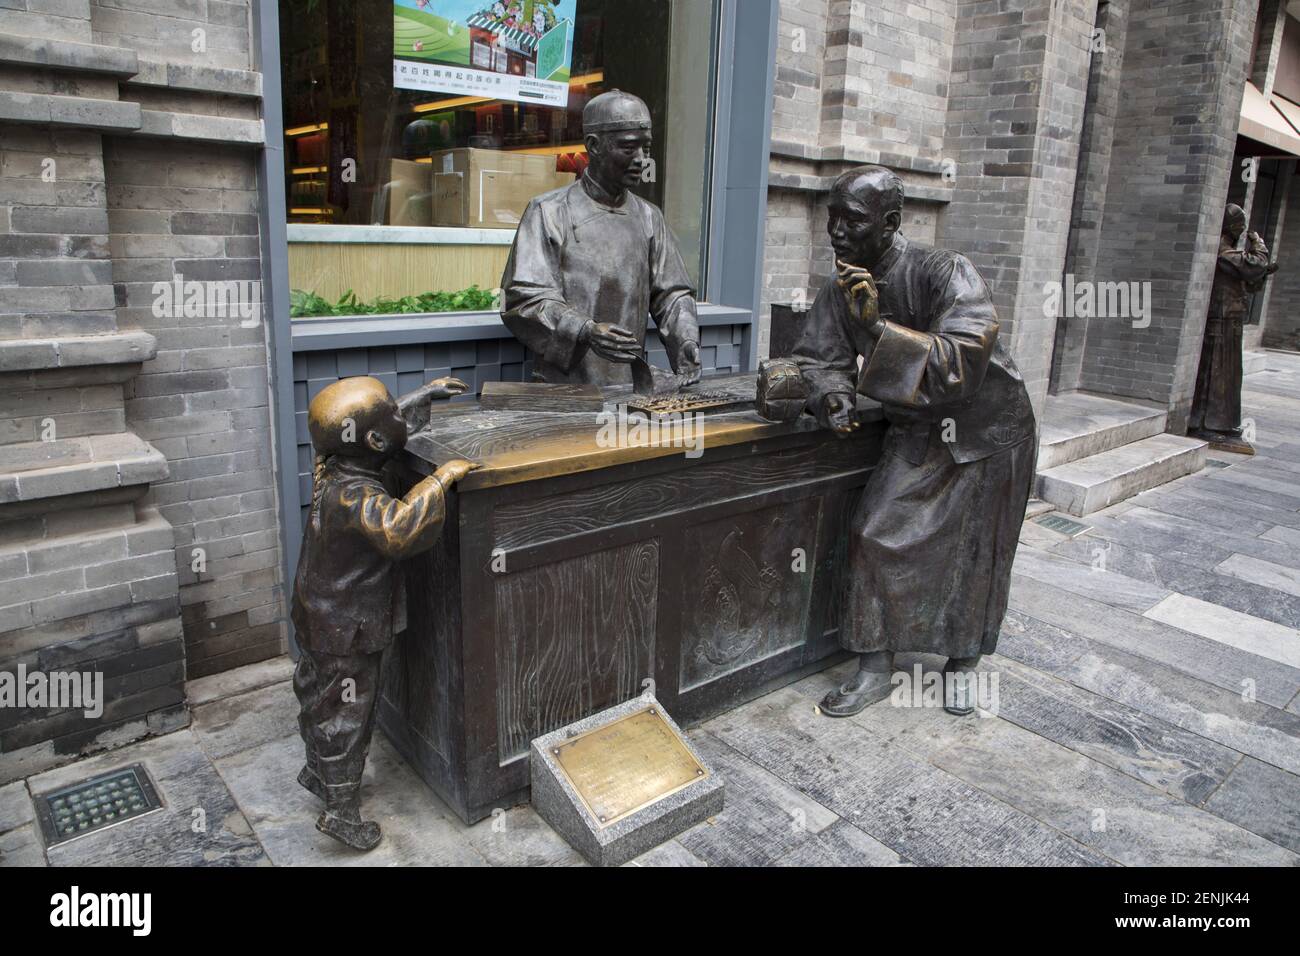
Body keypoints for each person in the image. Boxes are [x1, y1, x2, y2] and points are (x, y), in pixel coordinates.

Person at [794, 165, 1037, 717]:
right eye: (831, 218)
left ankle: (963, 663)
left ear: (891, 222)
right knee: (874, 532)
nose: (836, 231)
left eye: (851, 220)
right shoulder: (843, 283)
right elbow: (816, 356)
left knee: (976, 553)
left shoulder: (946, 271)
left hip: (988, 431)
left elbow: (962, 362)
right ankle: (876, 667)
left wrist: (878, 330)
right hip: (916, 430)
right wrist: (831, 393)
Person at [293, 375, 477, 850]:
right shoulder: (359, 496)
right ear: (373, 440)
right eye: (396, 410)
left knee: (321, 696)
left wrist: (423, 398)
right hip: (347, 626)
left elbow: (379, 431)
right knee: (347, 713)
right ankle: (341, 810)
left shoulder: (334, 467)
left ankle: (319, 772)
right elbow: (400, 530)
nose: (402, 414)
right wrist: (440, 480)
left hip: (320, 617)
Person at [499, 89, 701, 386]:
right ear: (594, 145)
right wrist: (584, 330)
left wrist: (686, 338)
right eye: (628, 148)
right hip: (564, 391)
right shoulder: (548, 212)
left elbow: (672, 295)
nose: (642, 160)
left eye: (646, 148)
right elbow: (523, 299)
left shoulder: (649, 217)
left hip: (630, 389)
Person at [1188, 203, 1278, 454]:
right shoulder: (1222, 250)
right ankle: (1208, 422)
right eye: (1240, 225)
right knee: (1216, 374)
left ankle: (1222, 422)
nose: (1242, 230)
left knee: (1228, 375)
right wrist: (1259, 244)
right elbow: (1253, 265)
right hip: (1221, 322)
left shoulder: (1227, 251)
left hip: (1230, 320)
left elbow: (1250, 278)